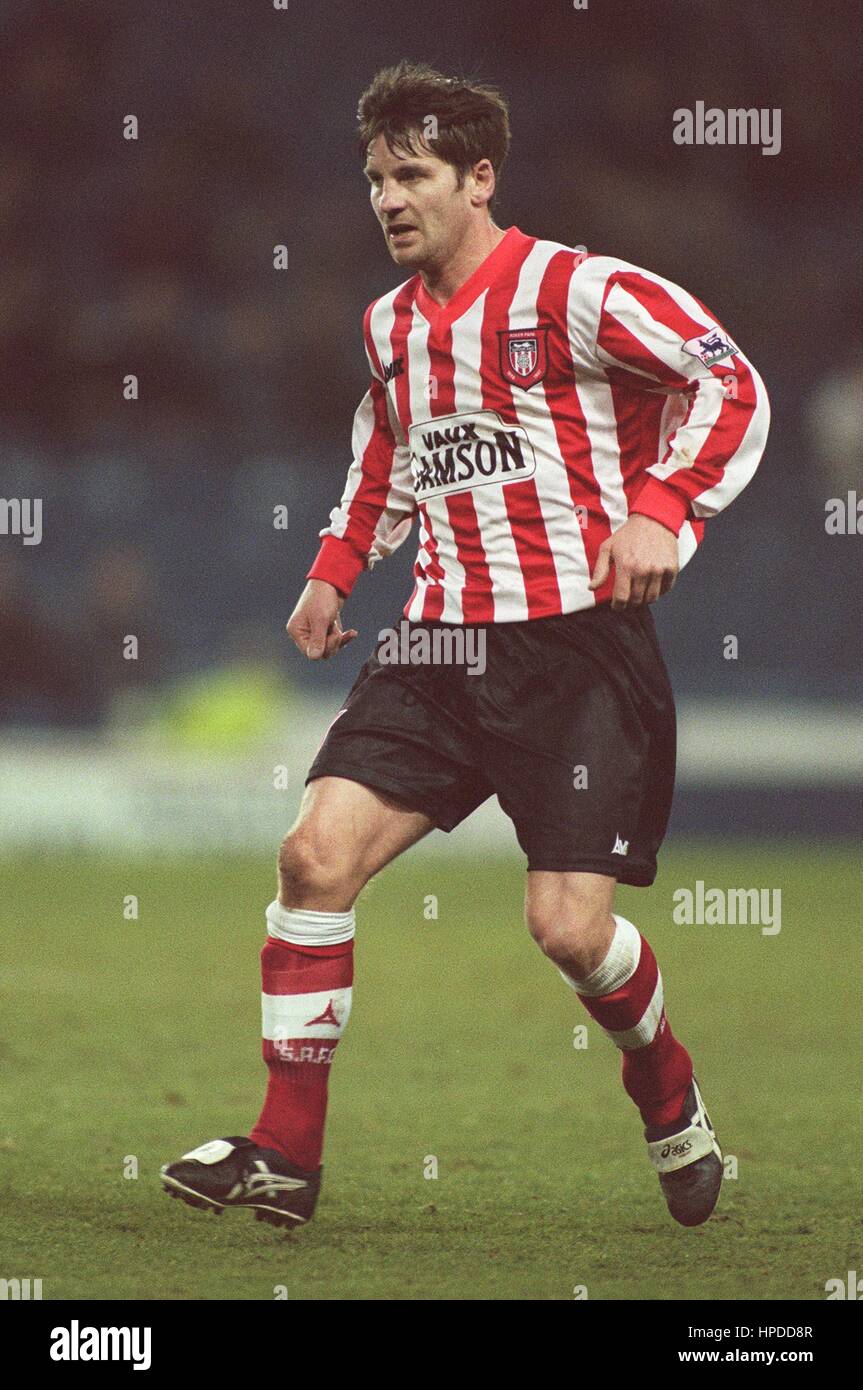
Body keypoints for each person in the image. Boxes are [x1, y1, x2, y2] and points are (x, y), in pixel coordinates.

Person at [162, 61, 769, 1231]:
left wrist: (662, 506)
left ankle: (664, 1079)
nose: (388, 199)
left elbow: (725, 378)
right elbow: (388, 446)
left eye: (413, 176)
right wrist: (335, 569)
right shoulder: (390, 325)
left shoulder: (575, 288)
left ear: (477, 178)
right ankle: (285, 1149)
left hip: (578, 654)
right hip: (439, 645)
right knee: (312, 858)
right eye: (375, 178)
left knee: (566, 930)